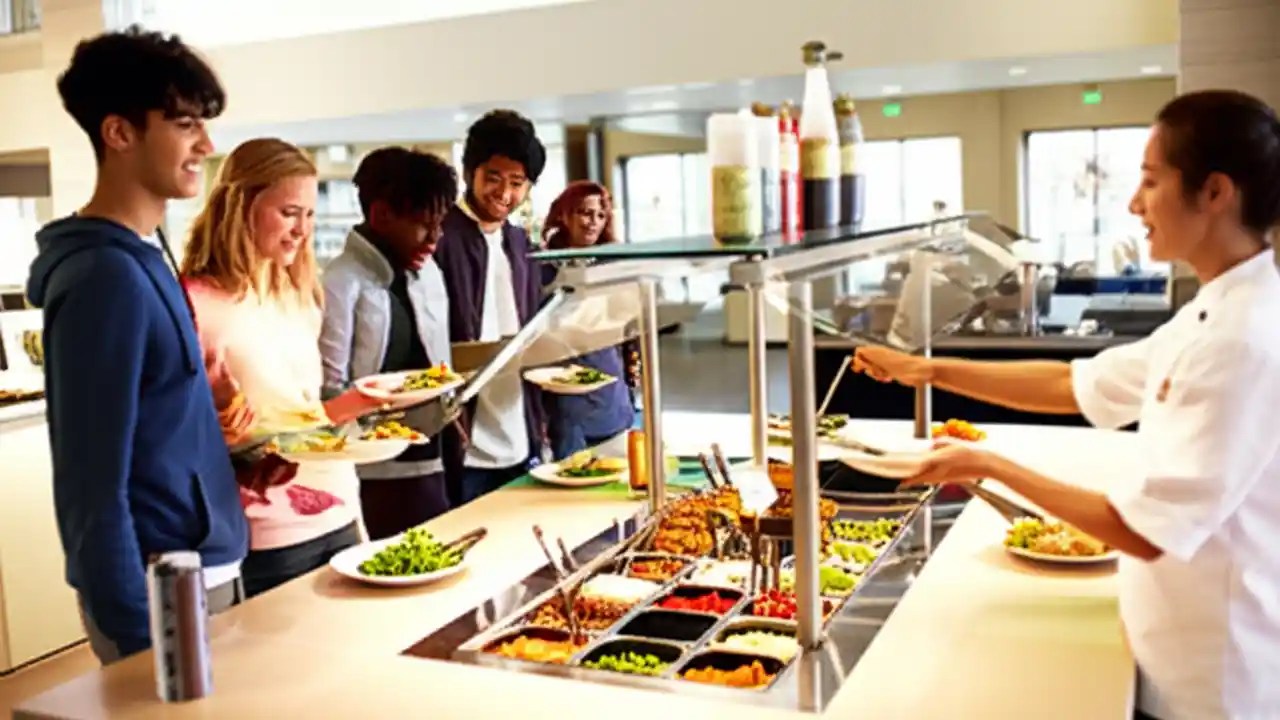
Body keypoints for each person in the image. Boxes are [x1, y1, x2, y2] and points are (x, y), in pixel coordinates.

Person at [853, 90, 1280, 720]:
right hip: (1170, 651)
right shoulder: (1215, 311)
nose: (1135, 203)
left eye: (1151, 180)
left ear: (1215, 192)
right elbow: (1072, 383)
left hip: (1214, 685)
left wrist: (988, 465)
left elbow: (1144, 531)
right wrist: (928, 370)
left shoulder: (1244, 339)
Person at [24, 26, 250, 664]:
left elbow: (153, 429)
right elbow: (91, 485)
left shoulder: (144, 256)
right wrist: (139, 636)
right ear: (119, 133)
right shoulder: (105, 275)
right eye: (184, 124)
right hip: (164, 593)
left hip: (206, 567)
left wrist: (232, 458)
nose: (205, 144)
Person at [181, 138, 382, 597]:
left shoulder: (299, 293)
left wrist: (362, 402)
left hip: (341, 508)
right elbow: (177, 433)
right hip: (265, 531)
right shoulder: (194, 302)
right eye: (289, 213)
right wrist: (217, 431)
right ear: (241, 207)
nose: (302, 230)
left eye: (309, 215)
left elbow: (301, 418)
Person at [319, 147, 460, 539]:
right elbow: (330, 387)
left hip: (431, 453)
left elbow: (436, 359)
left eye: (440, 224)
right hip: (373, 469)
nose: (435, 238)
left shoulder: (428, 271)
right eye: (424, 224)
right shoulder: (340, 281)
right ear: (381, 215)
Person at [434, 110, 547, 503]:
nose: (504, 193)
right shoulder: (440, 237)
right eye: (494, 177)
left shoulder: (519, 243)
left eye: (517, 183)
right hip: (463, 432)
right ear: (470, 172)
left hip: (518, 423)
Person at [540, 181, 635, 459]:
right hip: (565, 394)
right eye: (585, 212)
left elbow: (627, 324)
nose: (593, 222)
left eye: (600, 215)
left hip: (610, 387)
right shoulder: (544, 268)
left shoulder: (612, 266)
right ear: (564, 215)